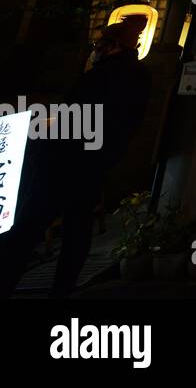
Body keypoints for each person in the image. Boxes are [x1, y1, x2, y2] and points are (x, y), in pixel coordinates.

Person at [0, 19, 153, 298]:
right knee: (77, 230)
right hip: (96, 163)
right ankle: (62, 290)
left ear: (112, 47)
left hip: (64, 160)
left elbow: (72, 116)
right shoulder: (139, 77)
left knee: (28, 227)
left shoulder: (101, 76)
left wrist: (44, 129)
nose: (95, 50)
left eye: (99, 45)